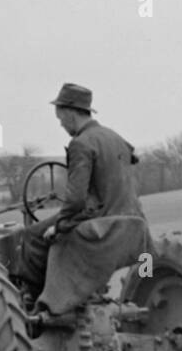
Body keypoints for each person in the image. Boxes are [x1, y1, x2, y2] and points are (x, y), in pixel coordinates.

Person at [14, 83, 152, 315]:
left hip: (102, 226)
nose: (61, 124)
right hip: (135, 226)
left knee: (31, 236)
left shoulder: (81, 143)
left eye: (60, 118)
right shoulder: (117, 139)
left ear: (69, 112)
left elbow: (76, 200)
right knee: (45, 231)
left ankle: (39, 308)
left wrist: (58, 226)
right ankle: (129, 289)